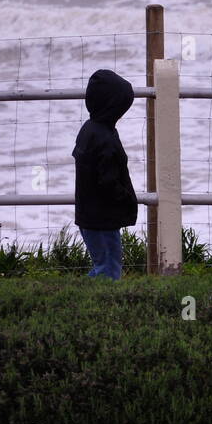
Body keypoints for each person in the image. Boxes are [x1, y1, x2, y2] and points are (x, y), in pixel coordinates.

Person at [72, 68, 137, 280]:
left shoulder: (89, 129)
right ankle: (101, 307)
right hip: (102, 217)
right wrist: (125, 198)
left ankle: (84, 298)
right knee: (109, 268)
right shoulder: (105, 139)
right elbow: (107, 181)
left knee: (102, 263)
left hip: (88, 214)